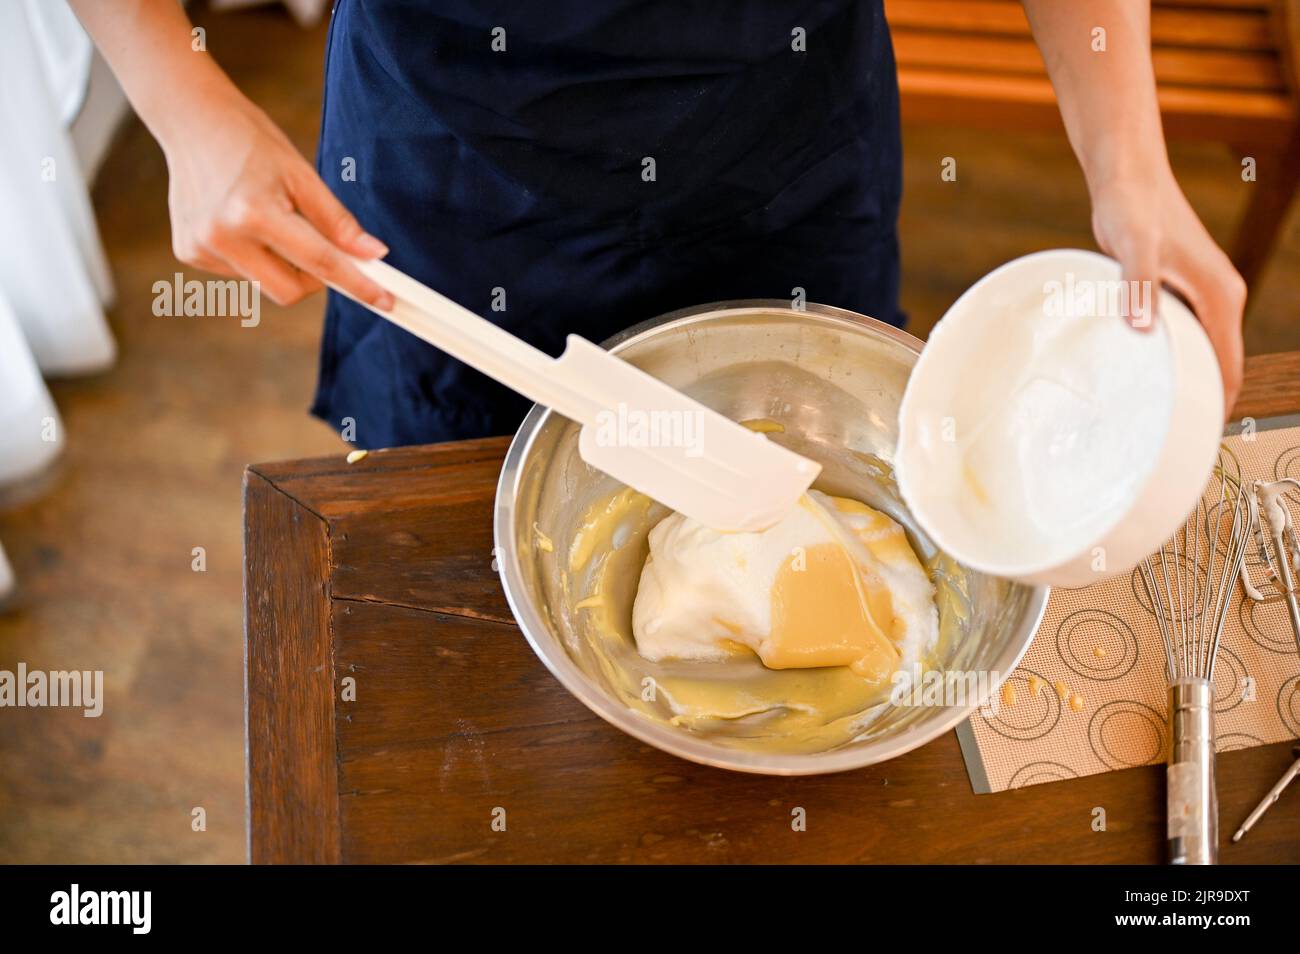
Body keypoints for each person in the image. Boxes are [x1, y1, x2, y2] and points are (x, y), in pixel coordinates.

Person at [72, 1, 1245, 447]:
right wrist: (183, 103)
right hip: (462, 169)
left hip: (783, 137)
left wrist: (1128, 164)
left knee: (823, 465)